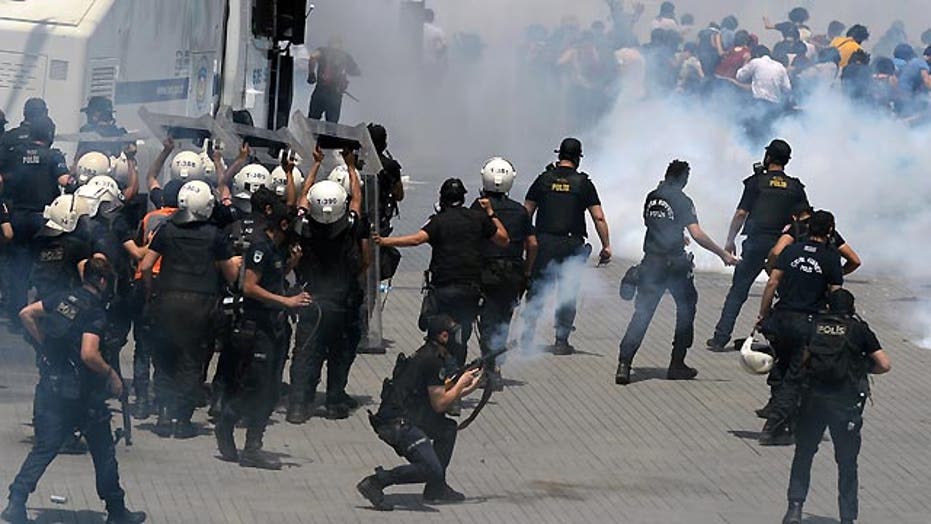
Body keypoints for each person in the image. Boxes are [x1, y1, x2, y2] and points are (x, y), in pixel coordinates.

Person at [1, 258, 146, 524]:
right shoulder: (95, 312)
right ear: (103, 281)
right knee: (103, 453)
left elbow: (26, 313)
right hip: (84, 395)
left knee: (44, 448)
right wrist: (113, 376)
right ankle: (116, 511)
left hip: (53, 388)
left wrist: (45, 347)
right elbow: (89, 354)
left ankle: (16, 501)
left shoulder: (63, 298)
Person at [616, 161, 738, 385]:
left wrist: (676, 235)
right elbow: (697, 233)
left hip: (651, 263)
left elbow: (655, 225)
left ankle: (624, 363)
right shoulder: (683, 200)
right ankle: (677, 363)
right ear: (683, 178)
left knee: (642, 314)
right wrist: (723, 254)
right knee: (686, 309)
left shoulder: (652, 196)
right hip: (674, 266)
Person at [781, 289, 891, 524]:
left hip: (813, 401)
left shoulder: (814, 326)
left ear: (828, 307)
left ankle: (794, 508)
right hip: (845, 405)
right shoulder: (859, 329)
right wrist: (861, 368)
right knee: (847, 462)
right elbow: (884, 364)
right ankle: (847, 517)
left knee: (804, 454)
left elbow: (802, 361)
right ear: (851, 308)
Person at [139, 180, 238, 438]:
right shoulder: (215, 234)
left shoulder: (167, 230)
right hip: (200, 306)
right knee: (191, 362)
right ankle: (182, 420)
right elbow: (231, 274)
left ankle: (162, 414)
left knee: (164, 359)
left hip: (167, 301)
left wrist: (151, 293)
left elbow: (147, 265)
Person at [214, 197, 308, 469]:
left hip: (275, 327)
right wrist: (287, 303)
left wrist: (291, 265)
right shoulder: (260, 247)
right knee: (256, 388)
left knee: (271, 390)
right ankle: (230, 425)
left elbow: (272, 281)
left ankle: (255, 443)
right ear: (282, 224)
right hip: (257, 329)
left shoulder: (278, 249)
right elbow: (250, 287)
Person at [375, 178, 508, 368]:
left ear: (442, 198)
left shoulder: (438, 221)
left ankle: (438, 379)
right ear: (463, 197)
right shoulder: (478, 218)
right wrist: (491, 213)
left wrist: (384, 241)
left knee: (438, 334)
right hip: (470, 291)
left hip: (443, 291)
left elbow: (416, 240)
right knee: (461, 335)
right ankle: (456, 377)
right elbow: (503, 239)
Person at [356, 315, 484, 511]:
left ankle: (436, 488)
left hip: (410, 417)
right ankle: (376, 482)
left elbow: (440, 395)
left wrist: (469, 386)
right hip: (398, 423)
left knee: (447, 429)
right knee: (430, 469)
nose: (458, 340)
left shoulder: (431, 354)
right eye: (454, 335)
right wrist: (461, 384)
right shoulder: (432, 361)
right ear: (443, 336)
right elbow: (441, 404)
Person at [287, 149, 370, 422]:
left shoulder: (302, 225)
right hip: (343, 301)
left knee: (306, 354)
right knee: (341, 352)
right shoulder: (350, 226)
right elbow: (357, 200)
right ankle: (334, 401)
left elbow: (302, 197)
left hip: (311, 300)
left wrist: (315, 164)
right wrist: (350, 166)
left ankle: (299, 405)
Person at [708, 139, 807, 353]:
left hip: (755, 244)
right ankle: (785, 339)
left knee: (738, 292)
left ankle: (720, 338)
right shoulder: (795, 187)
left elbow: (741, 214)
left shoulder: (756, 182)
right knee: (785, 294)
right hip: (782, 247)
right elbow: (805, 217)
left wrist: (730, 239)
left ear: (768, 157)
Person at [757, 211, 844, 446]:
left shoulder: (792, 250)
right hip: (807, 324)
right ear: (829, 231)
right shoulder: (830, 258)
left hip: (781, 318)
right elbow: (836, 294)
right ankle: (773, 426)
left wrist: (763, 314)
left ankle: (787, 422)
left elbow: (773, 281)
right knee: (795, 377)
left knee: (779, 371)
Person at [520, 138, 610, 354]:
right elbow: (598, 217)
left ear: (559, 155)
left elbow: (526, 212)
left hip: (544, 243)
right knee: (568, 291)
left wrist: (524, 242)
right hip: (571, 245)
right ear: (578, 158)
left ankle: (527, 336)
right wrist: (606, 245)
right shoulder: (583, 183)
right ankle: (561, 341)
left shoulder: (543, 179)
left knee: (537, 288)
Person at [471, 157, 536, 388]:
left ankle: (490, 367)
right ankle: (494, 363)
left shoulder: (477, 209)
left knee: (486, 321)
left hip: (485, 272)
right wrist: (527, 273)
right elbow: (533, 244)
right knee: (503, 320)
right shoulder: (520, 211)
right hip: (513, 273)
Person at [0, 115, 70, 328]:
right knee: (45, 267)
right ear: (49, 135)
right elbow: (64, 180)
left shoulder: (14, 155)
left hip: (18, 217)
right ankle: (40, 313)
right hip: (43, 219)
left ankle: (16, 315)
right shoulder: (52, 156)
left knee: (18, 267)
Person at [768, 205, 861, 276]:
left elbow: (776, 252)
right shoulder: (832, 235)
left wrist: (773, 272)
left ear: (794, 217)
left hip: (794, 285)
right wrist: (835, 274)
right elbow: (855, 261)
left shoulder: (796, 229)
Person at [307, 36, 361, 123]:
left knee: (312, 122)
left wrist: (311, 74)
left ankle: (310, 136)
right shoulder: (346, 57)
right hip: (335, 95)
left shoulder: (323, 51)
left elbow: (313, 57)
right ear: (341, 45)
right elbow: (357, 72)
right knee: (332, 127)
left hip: (320, 91)